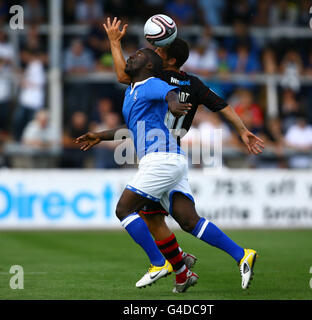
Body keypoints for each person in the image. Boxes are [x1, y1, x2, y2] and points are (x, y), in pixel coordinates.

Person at [76, 17, 264, 291]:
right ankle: (209, 263)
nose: (150, 49)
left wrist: (115, 42)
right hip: (171, 152)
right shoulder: (195, 84)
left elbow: (124, 76)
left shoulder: (154, 78)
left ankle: (164, 263)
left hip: (160, 156)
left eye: (157, 50)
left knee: (126, 210)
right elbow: (221, 105)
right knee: (185, 220)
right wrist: (243, 129)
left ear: (168, 61)